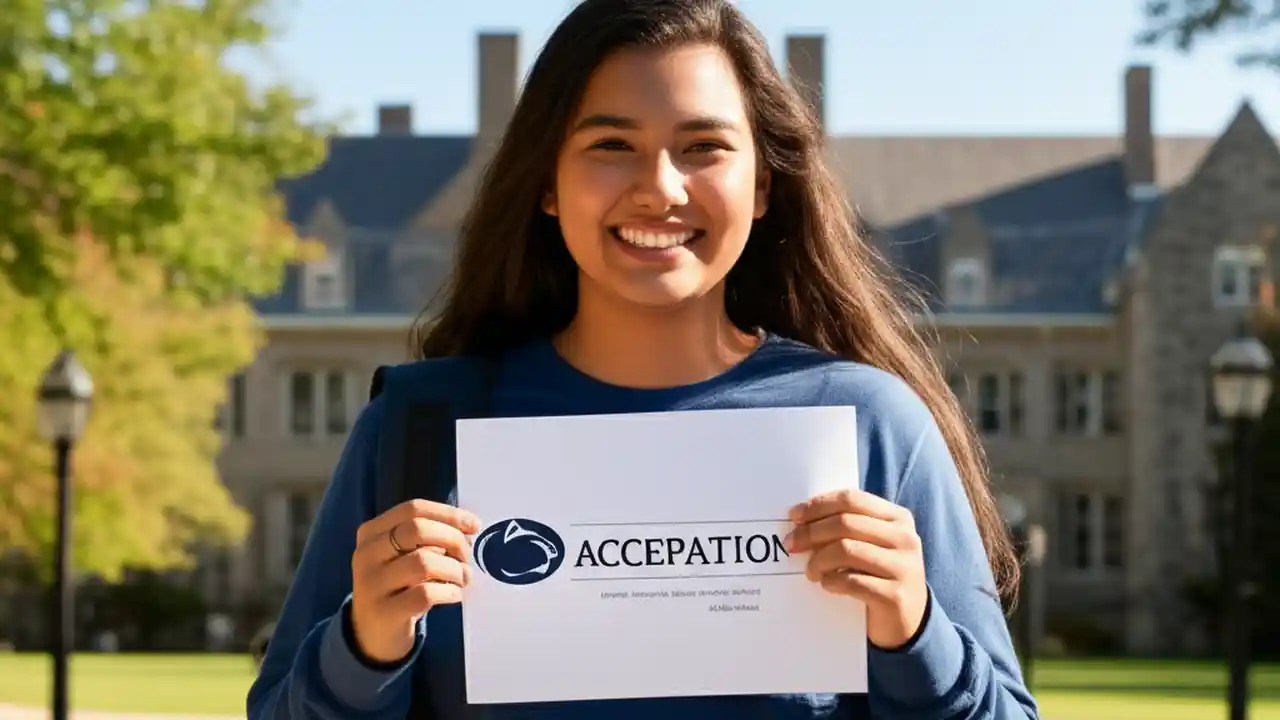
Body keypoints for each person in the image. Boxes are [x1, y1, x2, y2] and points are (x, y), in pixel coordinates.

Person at [247, 0, 1041, 717]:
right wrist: (365, 643)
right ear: (548, 185)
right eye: (612, 144)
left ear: (763, 183)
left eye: (703, 146)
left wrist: (914, 633)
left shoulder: (869, 425)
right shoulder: (419, 430)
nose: (659, 187)